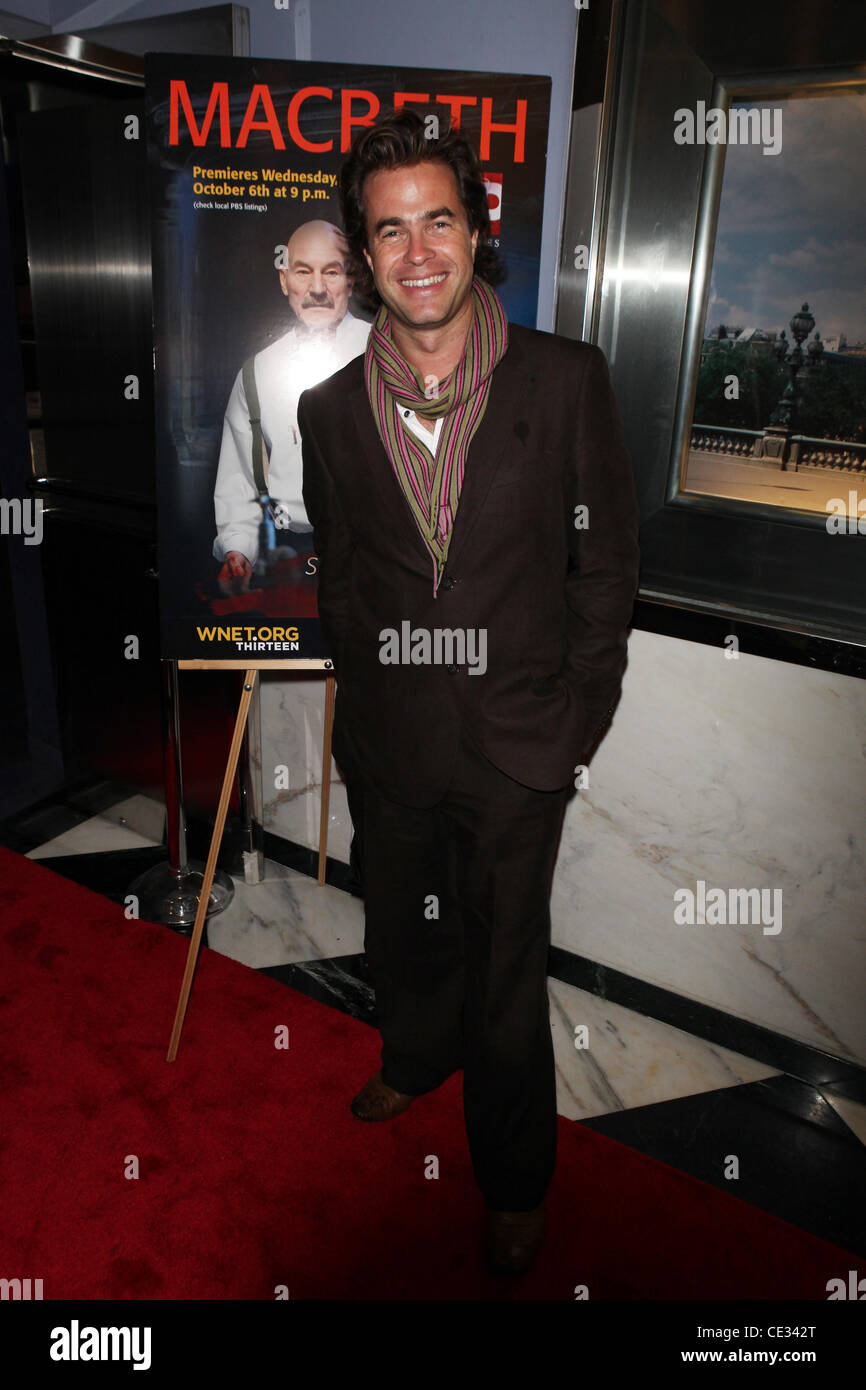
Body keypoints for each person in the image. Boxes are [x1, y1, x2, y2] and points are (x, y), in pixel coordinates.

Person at [298, 110, 640, 1277]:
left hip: (516, 751)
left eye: (436, 219)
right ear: (363, 251)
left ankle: (510, 1178)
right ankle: (411, 1053)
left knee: (504, 966)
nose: (416, 251)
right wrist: (367, 684)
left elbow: (603, 569)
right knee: (403, 929)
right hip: (392, 740)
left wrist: (569, 720)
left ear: (475, 228)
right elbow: (340, 573)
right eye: (387, 230)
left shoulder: (566, 380)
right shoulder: (327, 411)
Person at [212, 220, 370, 594]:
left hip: (374, 560)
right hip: (290, 562)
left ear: (350, 279)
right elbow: (239, 479)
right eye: (303, 272)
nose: (317, 289)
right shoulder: (259, 372)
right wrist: (239, 551)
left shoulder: (388, 353)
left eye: (331, 272)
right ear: (285, 281)